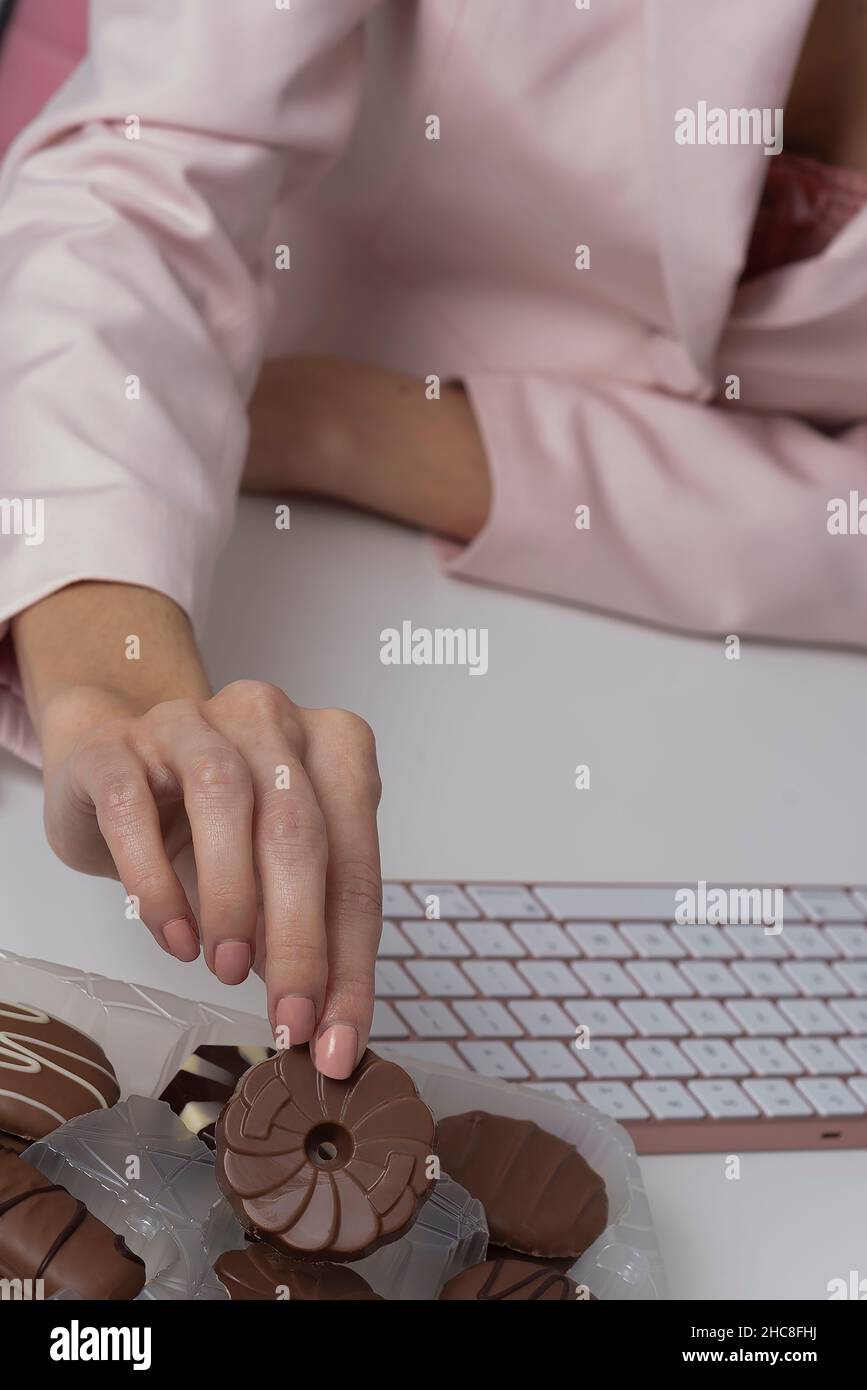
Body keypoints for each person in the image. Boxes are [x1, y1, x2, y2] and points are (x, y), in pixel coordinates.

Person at [1, 0, 866, 1079]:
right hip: (105, 400)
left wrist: (348, 427)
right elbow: (142, 176)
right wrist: (114, 682)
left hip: (453, 542)